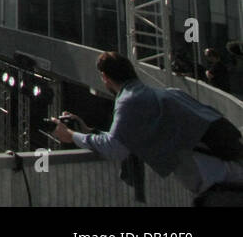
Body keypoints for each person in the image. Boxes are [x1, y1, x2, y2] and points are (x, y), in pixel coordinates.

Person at [52, 51, 243, 202]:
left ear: (105, 77)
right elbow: (129, 139)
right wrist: (89, 131)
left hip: (222, 183)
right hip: (230, 172)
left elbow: (115, 149)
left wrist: (71, 135)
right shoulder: (164, 95)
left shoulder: (130, 101)